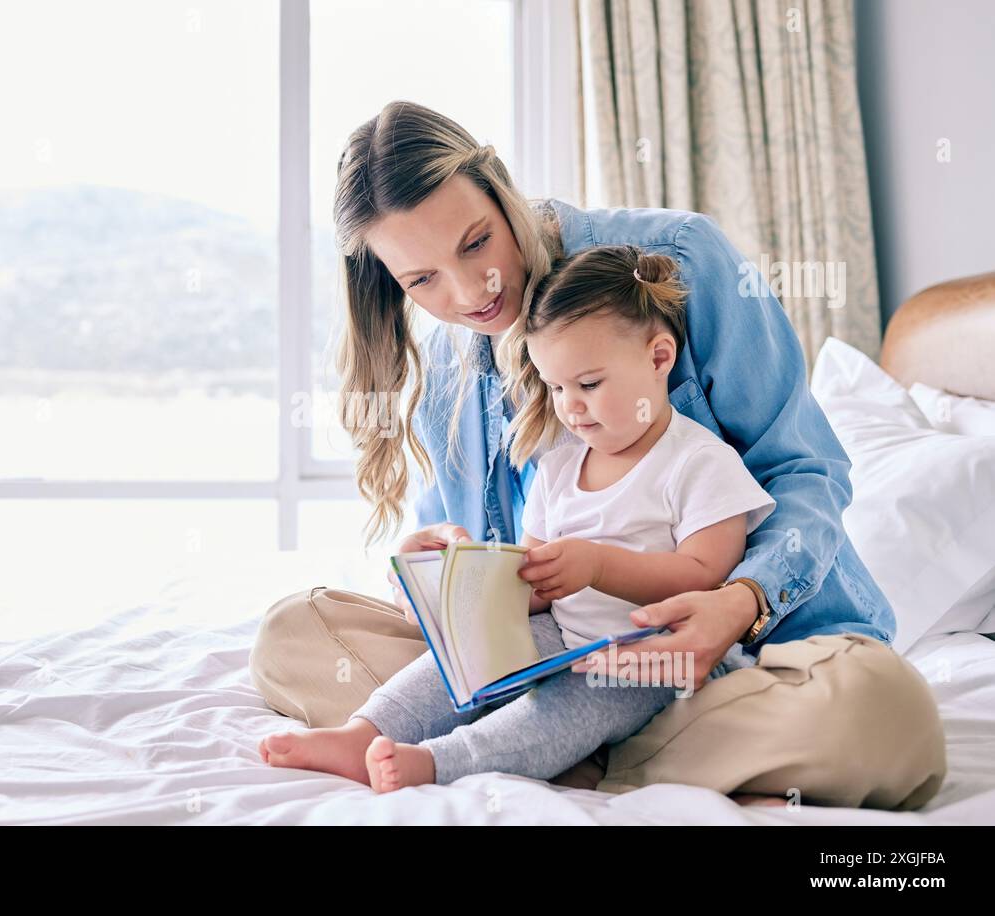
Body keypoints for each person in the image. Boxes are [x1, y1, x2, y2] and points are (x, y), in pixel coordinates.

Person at [252, 100, 946, 809]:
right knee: (291, 634)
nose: (469, 293)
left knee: (882, 711)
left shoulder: (676, 261)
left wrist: (739, 604)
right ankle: (547, 742)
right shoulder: (447, 376)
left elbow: (805, 472)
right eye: (420, 280)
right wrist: (434, 567)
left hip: (737, 659)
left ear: (500, 187)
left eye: (474, 243)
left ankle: (547, 748)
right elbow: (486, 582)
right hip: (550, 658)